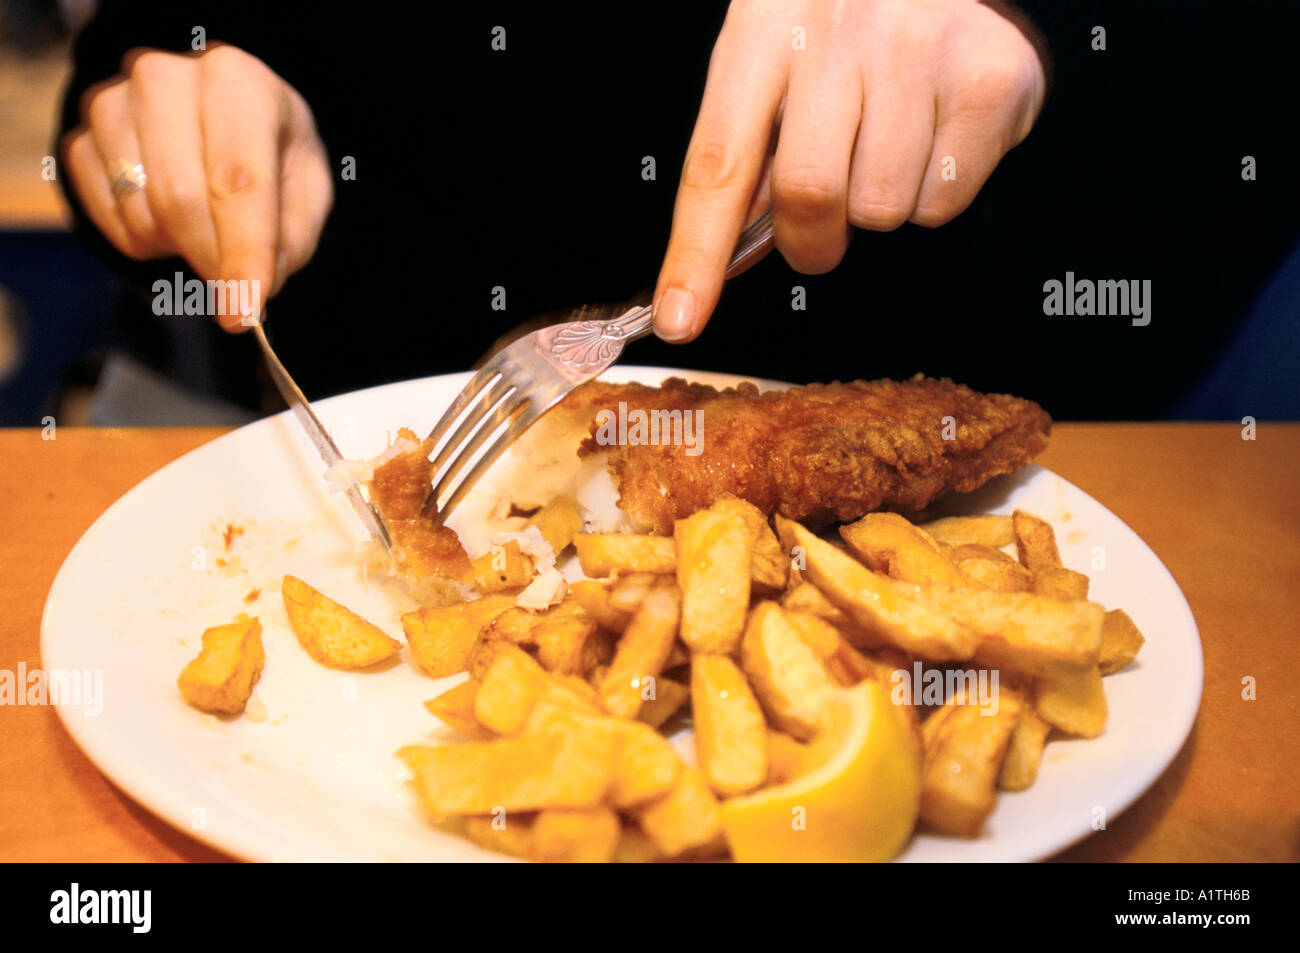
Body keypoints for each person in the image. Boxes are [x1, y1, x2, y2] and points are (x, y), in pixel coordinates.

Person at [55, 1, 1300, 419]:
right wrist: (146, 132)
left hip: (1015, 411)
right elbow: (128, 54)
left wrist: (1036, 18)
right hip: (344, 420)